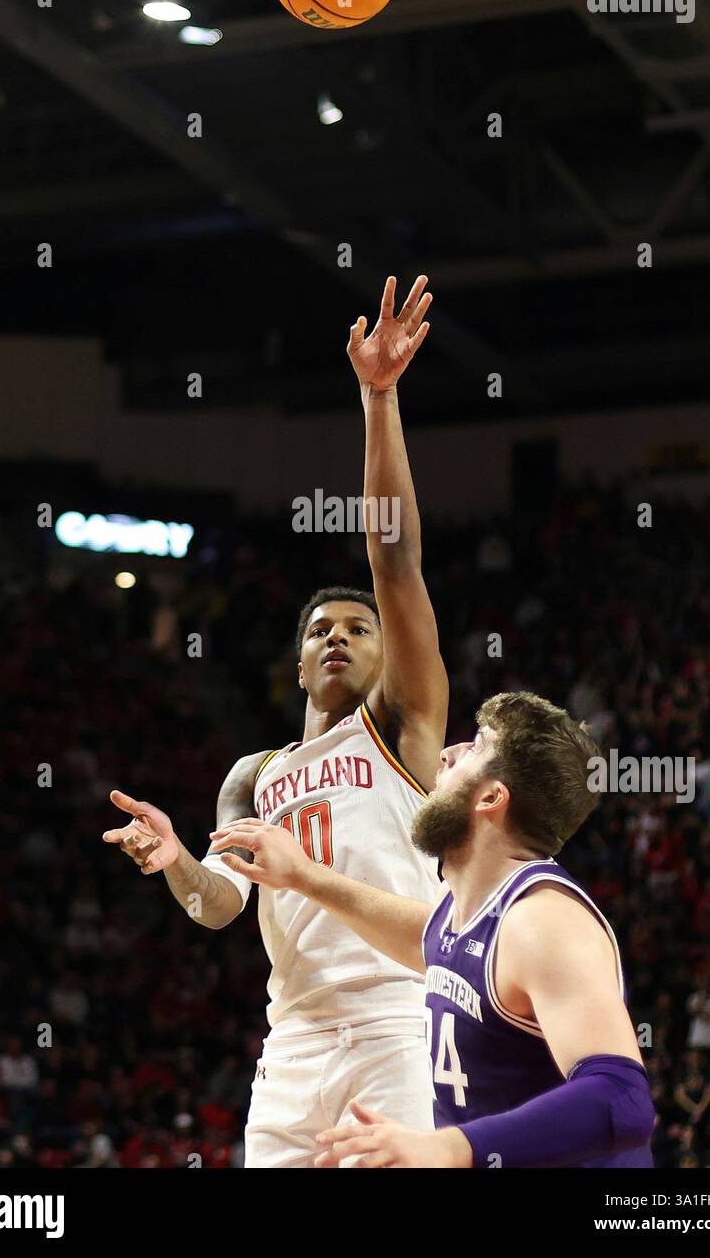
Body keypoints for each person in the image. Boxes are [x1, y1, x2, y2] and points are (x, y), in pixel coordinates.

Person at [104, 276, 449, 1168]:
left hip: (395, 1024)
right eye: (320, 631)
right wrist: (176, 858)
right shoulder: (253, 775)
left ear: (384, 656)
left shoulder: (402, 728)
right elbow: (218, 908)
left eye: (359, 629)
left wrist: (379, 398)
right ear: (297, 663)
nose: (339, 637)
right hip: (291, 1046)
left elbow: (395, 557)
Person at [211, 690, 656, 1168]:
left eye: (476, 746)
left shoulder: (541, 920)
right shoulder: (464, 915)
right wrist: (304, 876)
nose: (448, 752)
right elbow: (424, 938)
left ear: (491, 797)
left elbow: (623, 1102)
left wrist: (451, 1147)